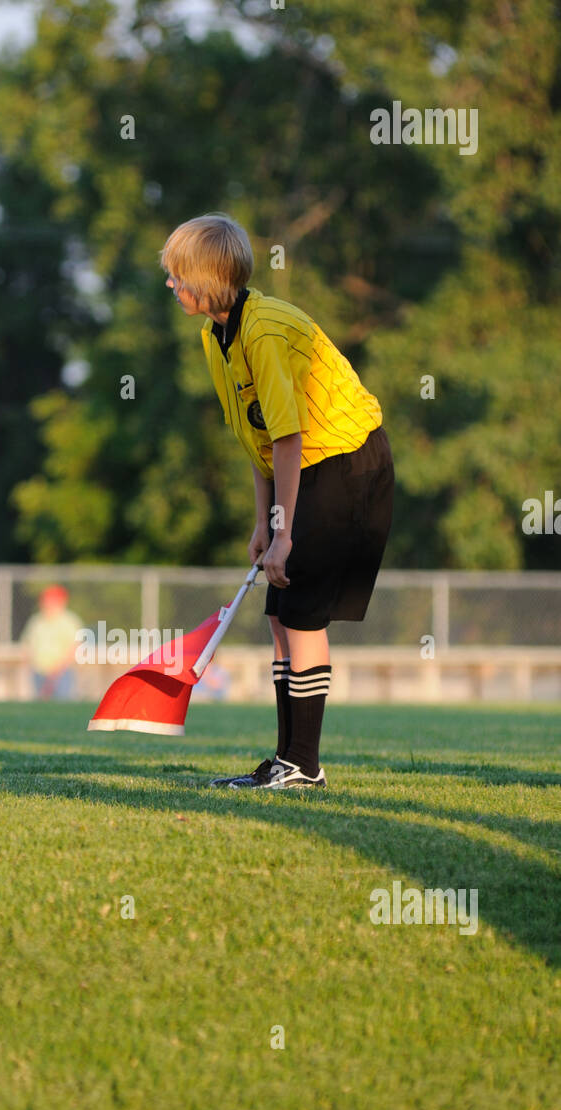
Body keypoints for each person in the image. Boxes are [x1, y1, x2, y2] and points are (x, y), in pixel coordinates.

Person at [160, 212, 394, 789]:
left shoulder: (261, 331)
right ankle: (289, 759)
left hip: (345, 461)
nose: (169, 284)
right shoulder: (216, 336)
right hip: (300, 468)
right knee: (279, 619)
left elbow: (289, 437)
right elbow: (257, 435)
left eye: (176, 275)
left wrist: (285, 532)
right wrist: (264, 524)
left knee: (303, 616)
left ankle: (304, 765)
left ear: (206, 280)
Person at [20, 585, 83, 699]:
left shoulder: (69, 621)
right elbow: (27, 644)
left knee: (62, 704)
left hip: (61, 673)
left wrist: (57, 670)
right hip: (39, 671)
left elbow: (74, 647)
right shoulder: (36, 621)